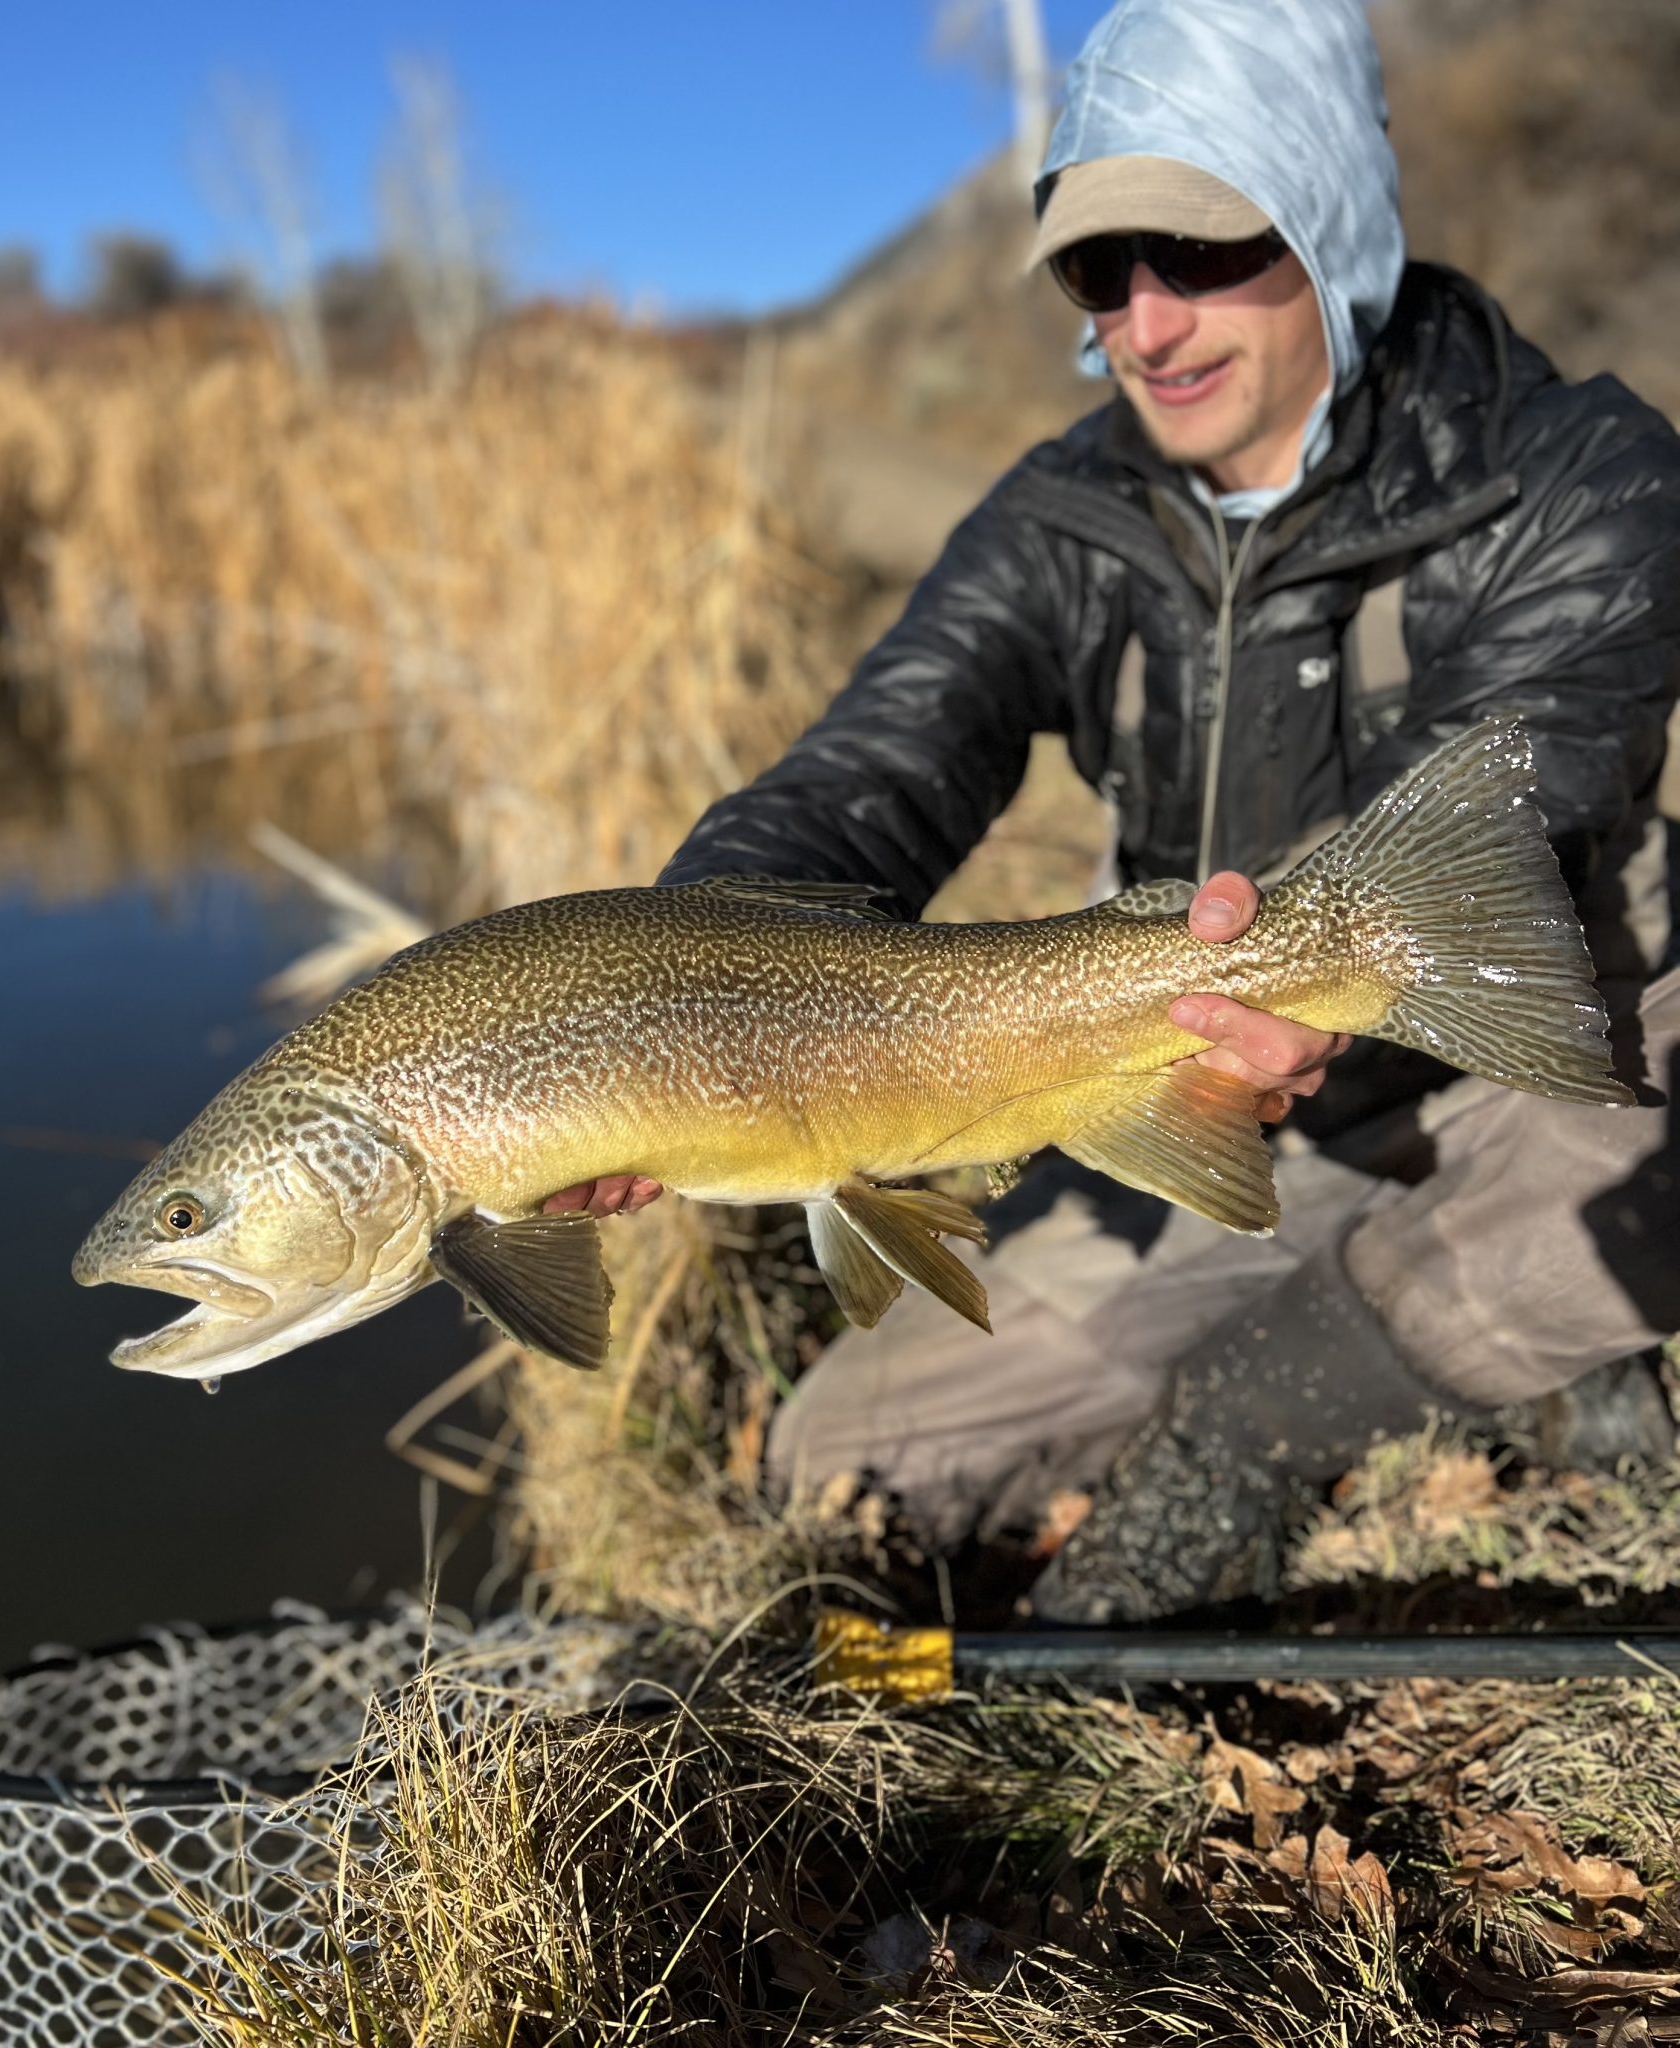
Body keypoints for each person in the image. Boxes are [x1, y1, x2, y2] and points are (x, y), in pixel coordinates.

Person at [550, 0, 1680, 1617]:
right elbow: (870, 773)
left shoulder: (1581, 469)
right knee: (843, 1468)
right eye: (1100, 269)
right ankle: (1481, 1341)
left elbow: (1520, 778)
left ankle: (1278, 1412)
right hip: (1172, 1073)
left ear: (1330, 213)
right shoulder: (1056, 518)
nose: (1147, 322)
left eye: (1200, 249)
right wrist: (666, 992)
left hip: (1529, 1035)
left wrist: (1315, 982)